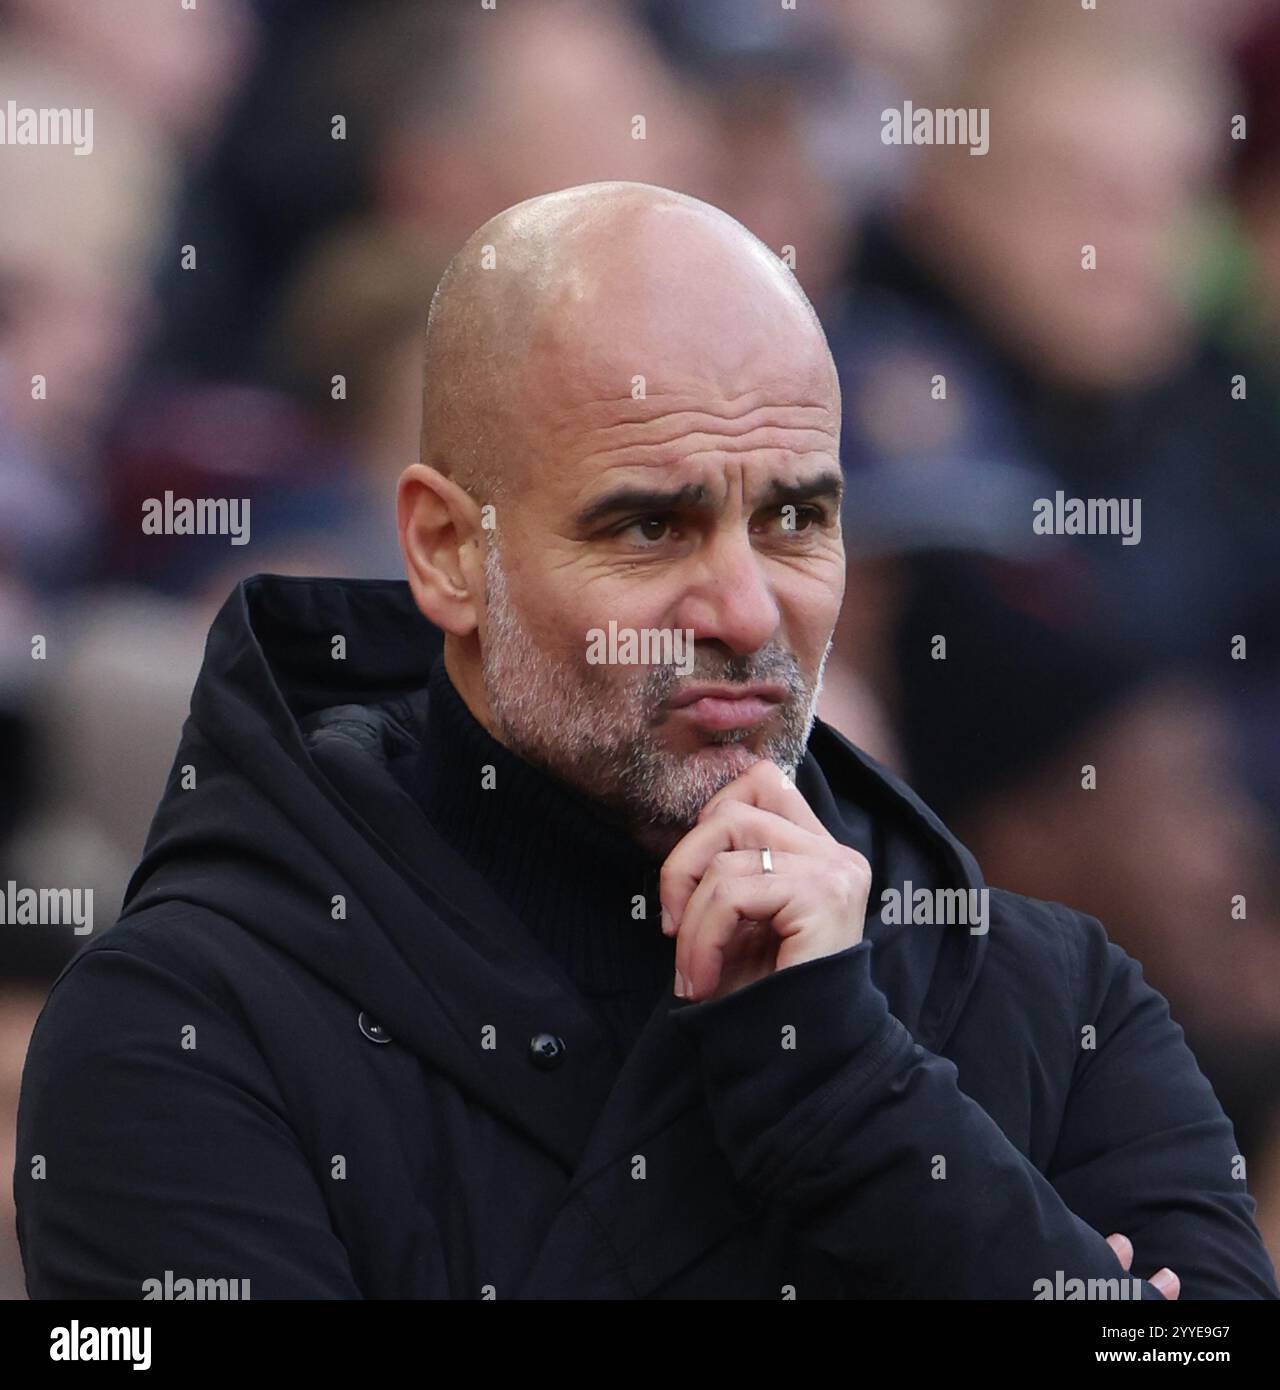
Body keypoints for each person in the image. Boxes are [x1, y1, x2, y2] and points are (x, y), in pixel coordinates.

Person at [14, 183, 1278, 1299]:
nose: (742, 610)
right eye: (646, 529)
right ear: (449, 551)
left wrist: (851, 1097)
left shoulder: (1060, 1002)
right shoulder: (179, 1031)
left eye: (792, 518)